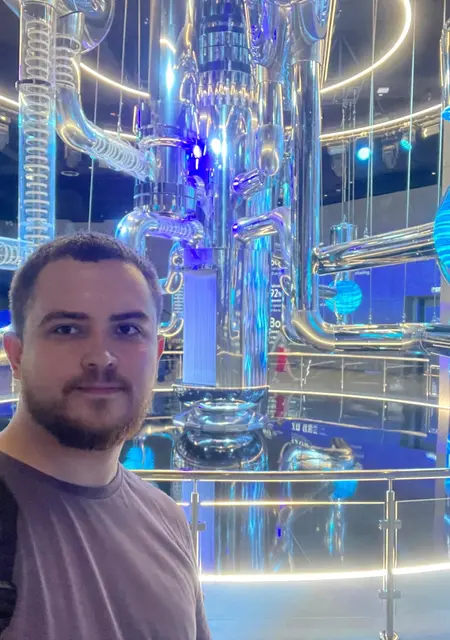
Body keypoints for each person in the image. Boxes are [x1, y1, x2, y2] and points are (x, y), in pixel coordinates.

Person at [0, 232, 211, 640]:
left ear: (157, 354)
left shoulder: (166, 519)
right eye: (66, 329)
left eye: (128, 329)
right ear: (17, 355)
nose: (101, 357)